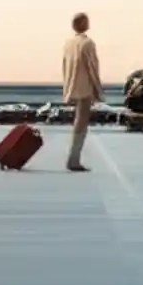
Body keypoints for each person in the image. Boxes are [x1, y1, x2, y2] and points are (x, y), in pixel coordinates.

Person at [62, 12, 104, 172]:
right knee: (81, 123)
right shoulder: (88, 43)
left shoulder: (69, 43)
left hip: (72, 86)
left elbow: (65, 65)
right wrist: (98, 90)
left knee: (78, 121)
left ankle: (74, 158)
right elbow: (92, 68)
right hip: (85, 87)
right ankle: (74, 159)